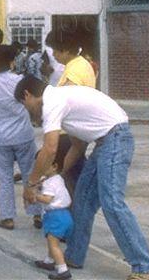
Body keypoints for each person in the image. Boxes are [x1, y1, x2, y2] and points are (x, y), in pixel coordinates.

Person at [15, 75, 149, 280]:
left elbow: (49, 149)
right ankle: (73, 256)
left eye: (23, 104)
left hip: (115, 138)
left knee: (112, 203)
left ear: (27, 95)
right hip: (106, 142)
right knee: (82, 198)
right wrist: (58, 175)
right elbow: (78, 146)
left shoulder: (52, 101)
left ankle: (144, 268)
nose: (26, 109)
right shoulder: (61, 100)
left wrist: (31, 183)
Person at [0, 45, 42, 230]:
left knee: (3, 177)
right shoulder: (21, 81)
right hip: (23, 135)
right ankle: (37, 213)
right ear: (12, 63)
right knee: (30, 173)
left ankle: (7, 217)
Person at [45, 29, 96, 197]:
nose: (53, 55)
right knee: (77, 173)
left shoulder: (73, 71)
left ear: (65, 50)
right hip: (78, 129)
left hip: (69, 132)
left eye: (55, 50)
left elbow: (67, 101)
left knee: (68, 178)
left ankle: (72, 215)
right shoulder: (82, 63)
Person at [33, 148, 75, 280]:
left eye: (43, 165)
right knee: (53, 240)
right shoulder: (57, 178)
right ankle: (49, 261)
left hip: (55, 216)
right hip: (65, 215)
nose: (39, 168)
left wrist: (35, 195)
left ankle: (63, 270)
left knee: (53, 244)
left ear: (54, 166)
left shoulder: (49, 183)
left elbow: (47, 199)